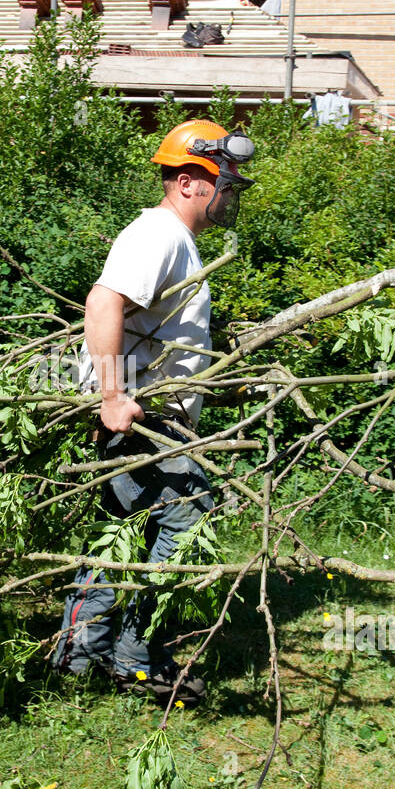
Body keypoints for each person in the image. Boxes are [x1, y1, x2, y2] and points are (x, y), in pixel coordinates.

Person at [52, 119, 255, 705]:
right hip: (141, 419)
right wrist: (112, 395)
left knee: (121, 530)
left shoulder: (176, 240)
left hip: (152, 412)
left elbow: (156, 330)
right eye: (227, 183)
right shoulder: (160, 235)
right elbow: (104, 302)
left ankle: (78, 654)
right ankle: (137, 658)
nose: (230, 195)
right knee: (189, 515)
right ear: (192, 181)